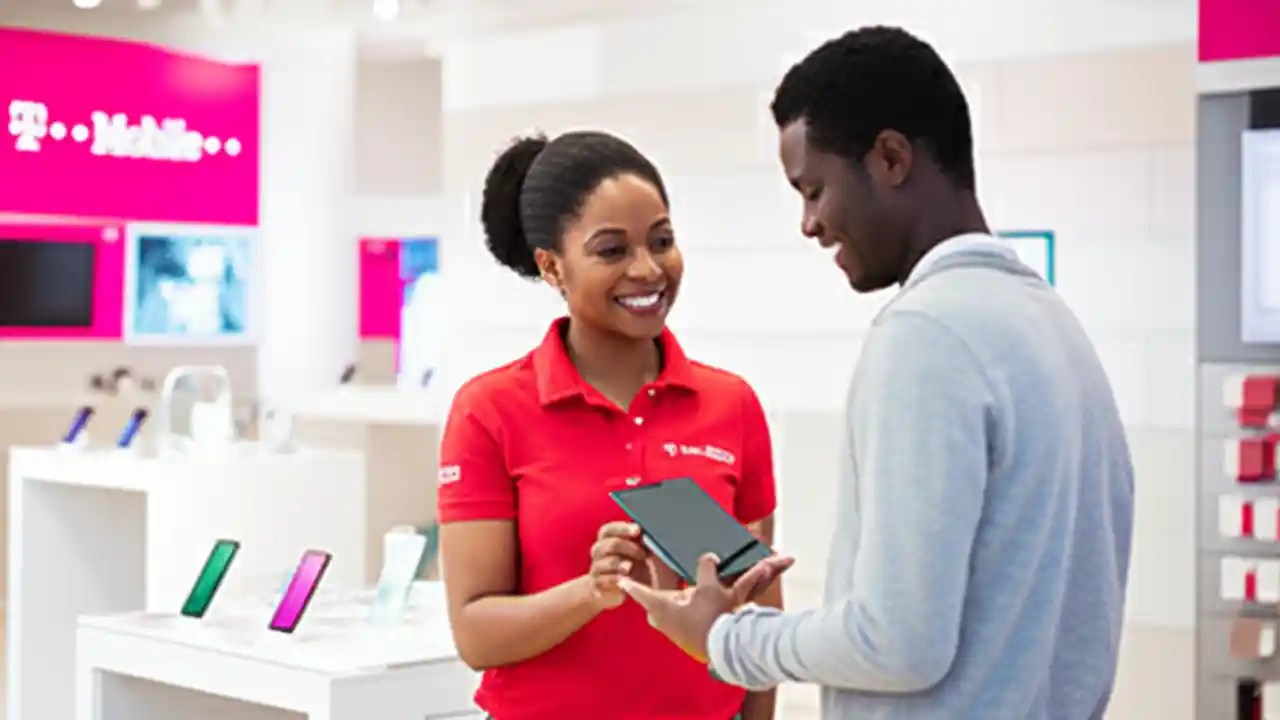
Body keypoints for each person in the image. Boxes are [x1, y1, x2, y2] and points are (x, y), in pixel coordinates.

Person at [621, 25, 1135, 720]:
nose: (809, 223)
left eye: (814, 189)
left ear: (891, 158)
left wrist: (725, 638)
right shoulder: (1054, 326)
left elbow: (898, 642)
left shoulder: (925, 333)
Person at [436, 130, 787, 720]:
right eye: (611, 250)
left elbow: (759, 616)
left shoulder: (733, 404)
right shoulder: (489, 410)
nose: (648, 270)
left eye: (662, 241)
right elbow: (475, 634)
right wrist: (590, 592)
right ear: (552, 267)